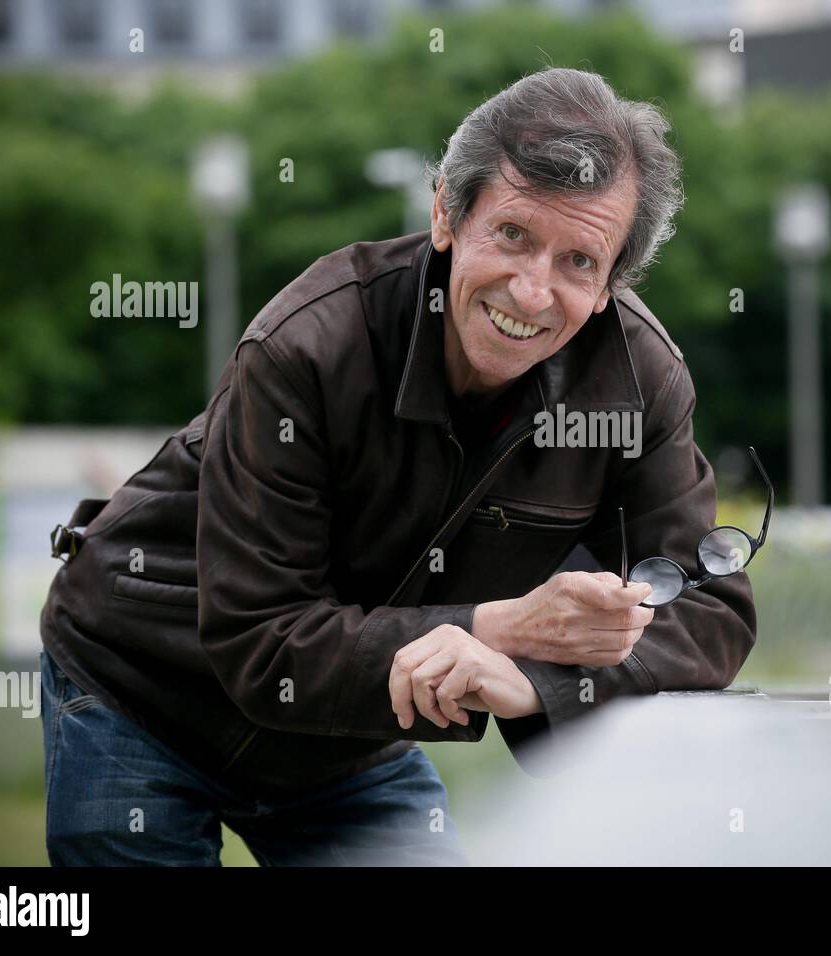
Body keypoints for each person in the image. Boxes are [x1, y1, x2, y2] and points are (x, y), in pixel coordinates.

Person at [38, 67, 756, 866]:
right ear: (446, 212)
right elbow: (262, 642)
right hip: (142, 691)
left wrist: (535, 681)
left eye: (579, 261)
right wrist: (501, 626)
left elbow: (711, 608)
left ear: (614, 279)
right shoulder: (307, 344)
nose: (532, 290)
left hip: (348, 738)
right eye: (513, 233)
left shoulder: (641, 379)